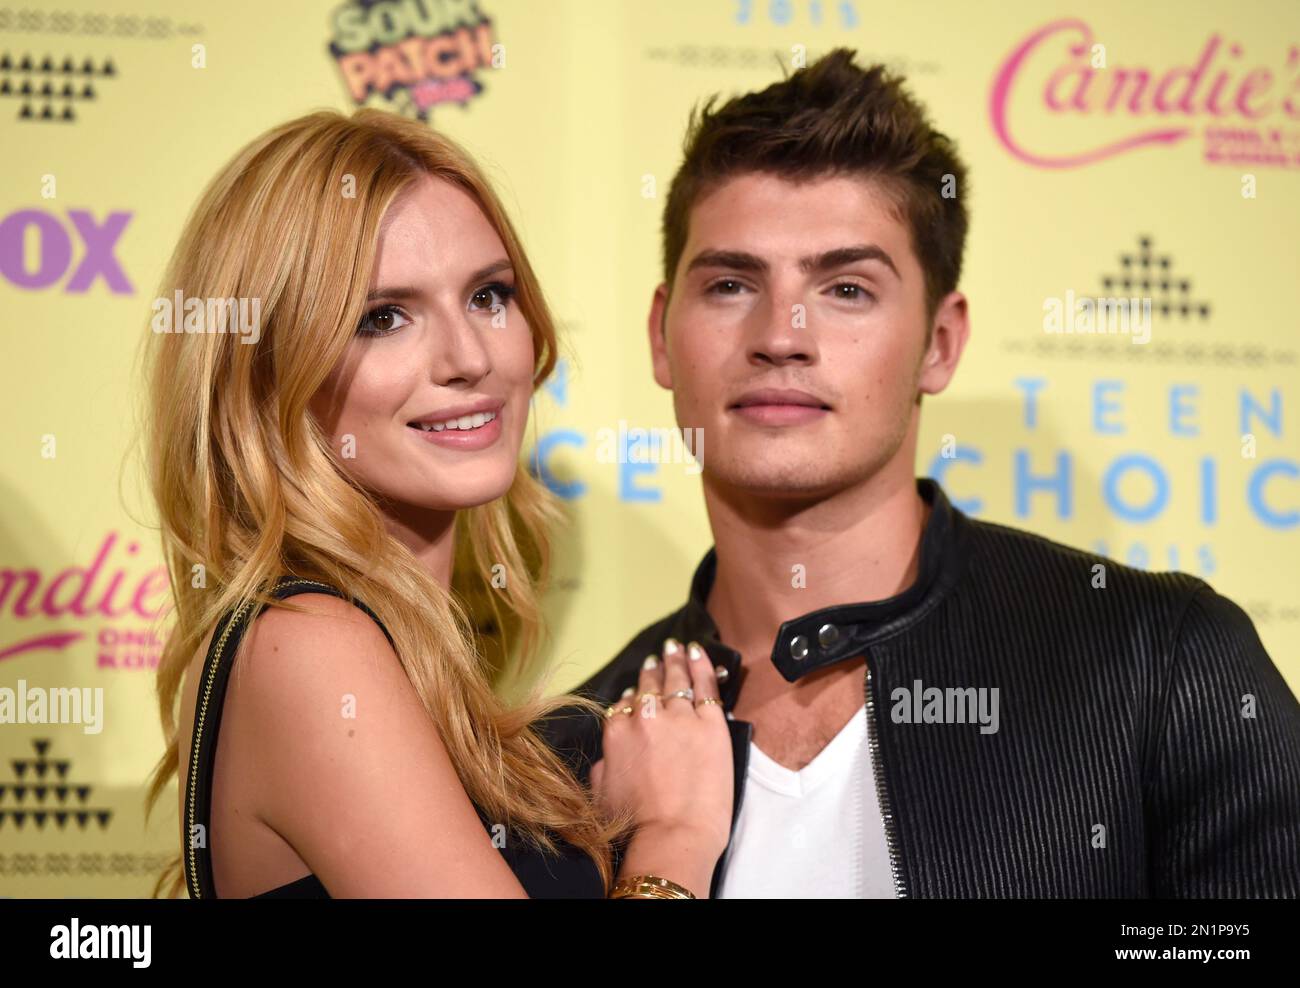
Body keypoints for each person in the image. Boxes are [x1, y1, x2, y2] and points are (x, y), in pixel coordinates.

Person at [544, 48, 1300, 897]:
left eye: (847, 289)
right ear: (660, 335)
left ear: (940, 343)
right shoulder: (559, 764)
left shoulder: (1160, 665)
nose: (782, 335)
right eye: (729, 284)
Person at [140, 108, 733, 899]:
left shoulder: (379, 657)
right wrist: (674, 839)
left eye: (489, 296)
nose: (469, 357)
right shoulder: (309, 650)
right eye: (383, 318)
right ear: (267, 373)